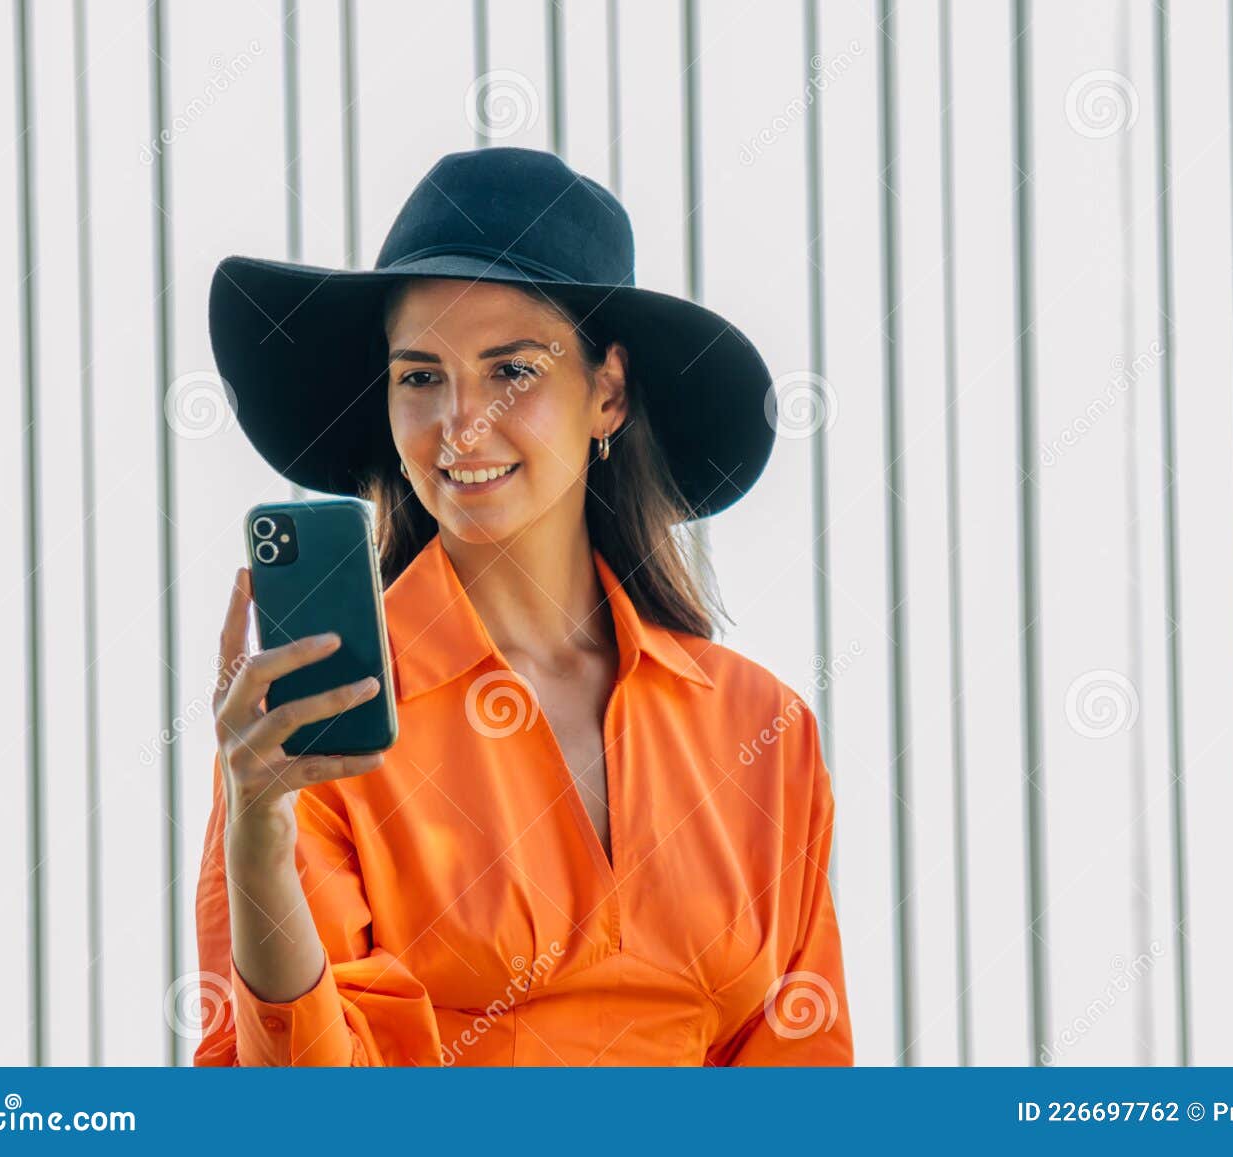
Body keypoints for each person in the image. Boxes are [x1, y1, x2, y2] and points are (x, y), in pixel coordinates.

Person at [193, 146, 852, 1066]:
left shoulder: (762, 728)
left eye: (511, 371)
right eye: (420, 376)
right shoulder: (327, 721)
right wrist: (257, 846)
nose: (460, 425)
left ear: (608, 391)